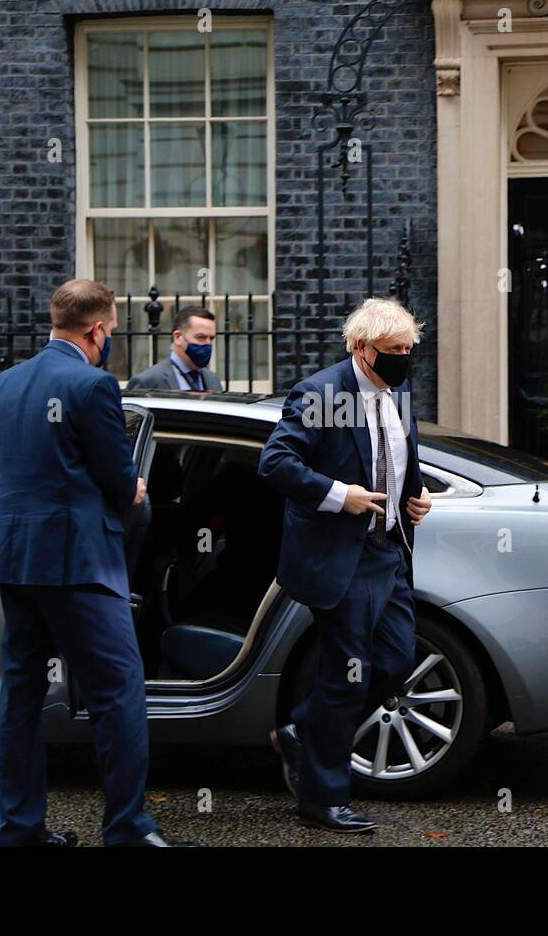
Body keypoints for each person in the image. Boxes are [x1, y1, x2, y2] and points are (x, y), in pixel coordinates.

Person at [0, 278, 193, 847]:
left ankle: (19, 830)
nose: (110, 340)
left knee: (20, 695)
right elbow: (120, 482)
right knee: (119, 690)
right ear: (98, 329)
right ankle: (127, 828)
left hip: (15, 557)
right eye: (112, 332)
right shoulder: (94, 385)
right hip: (78, 561)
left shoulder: (9, 381)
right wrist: (136, 490)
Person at [258, 297, 433, 833]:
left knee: (396, 661)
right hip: (342, 556)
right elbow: (276, 462)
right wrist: (340, 494)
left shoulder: (397, 391)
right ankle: (322, 798)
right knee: (345, 674)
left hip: (390, 551)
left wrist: (415, 497)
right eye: (393, 351)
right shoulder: (320, 393)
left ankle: (301, 733)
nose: (403, 359)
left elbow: (403, 460)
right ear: (361, 348)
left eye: (408, 350)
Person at [127, 307, 222, 392]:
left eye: (211, 338)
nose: (208, 343)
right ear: (178, 337)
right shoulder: (148, 382)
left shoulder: (212, 380)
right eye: (200, 337)